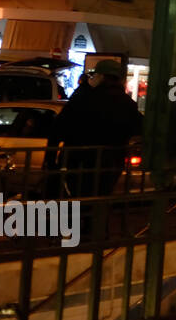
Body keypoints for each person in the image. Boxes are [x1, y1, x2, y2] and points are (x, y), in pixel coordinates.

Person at [47, 59, 143, 236]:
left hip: (79, 160)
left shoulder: (84, 98)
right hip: (110, 162)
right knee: (100, 200)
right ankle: (96, 235)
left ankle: (75, 236)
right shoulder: (126, 104)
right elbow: (139, 128)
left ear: (99, 77)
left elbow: (59, 127)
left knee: (78, 198)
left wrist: (51, 159)